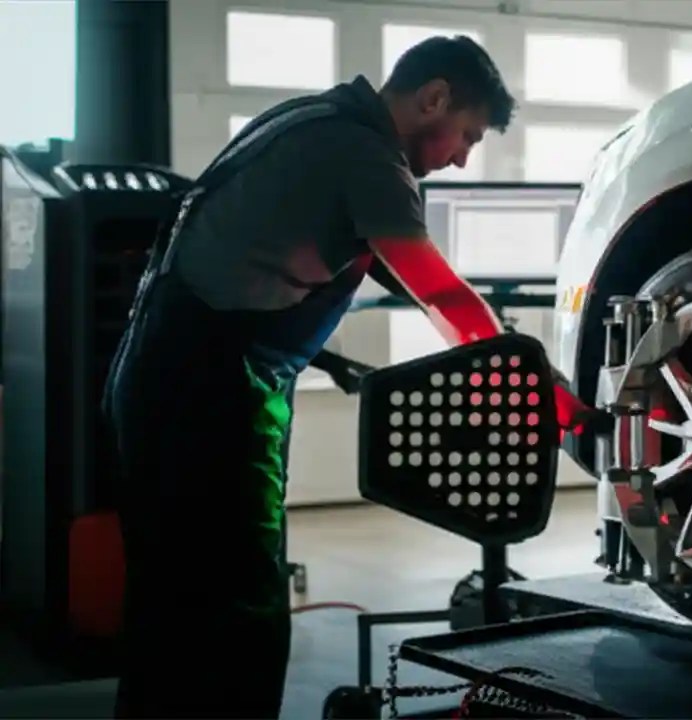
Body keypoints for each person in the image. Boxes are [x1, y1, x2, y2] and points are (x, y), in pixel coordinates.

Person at [104, 35, 593, 718]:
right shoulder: (367, 157)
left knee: (171, 611)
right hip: (207, 398)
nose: (460, 157)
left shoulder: (310, 121)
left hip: (158, 378)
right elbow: (446, 300)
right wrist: (553, 402)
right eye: (467, 137)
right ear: (434, 98)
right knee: (237, 613)